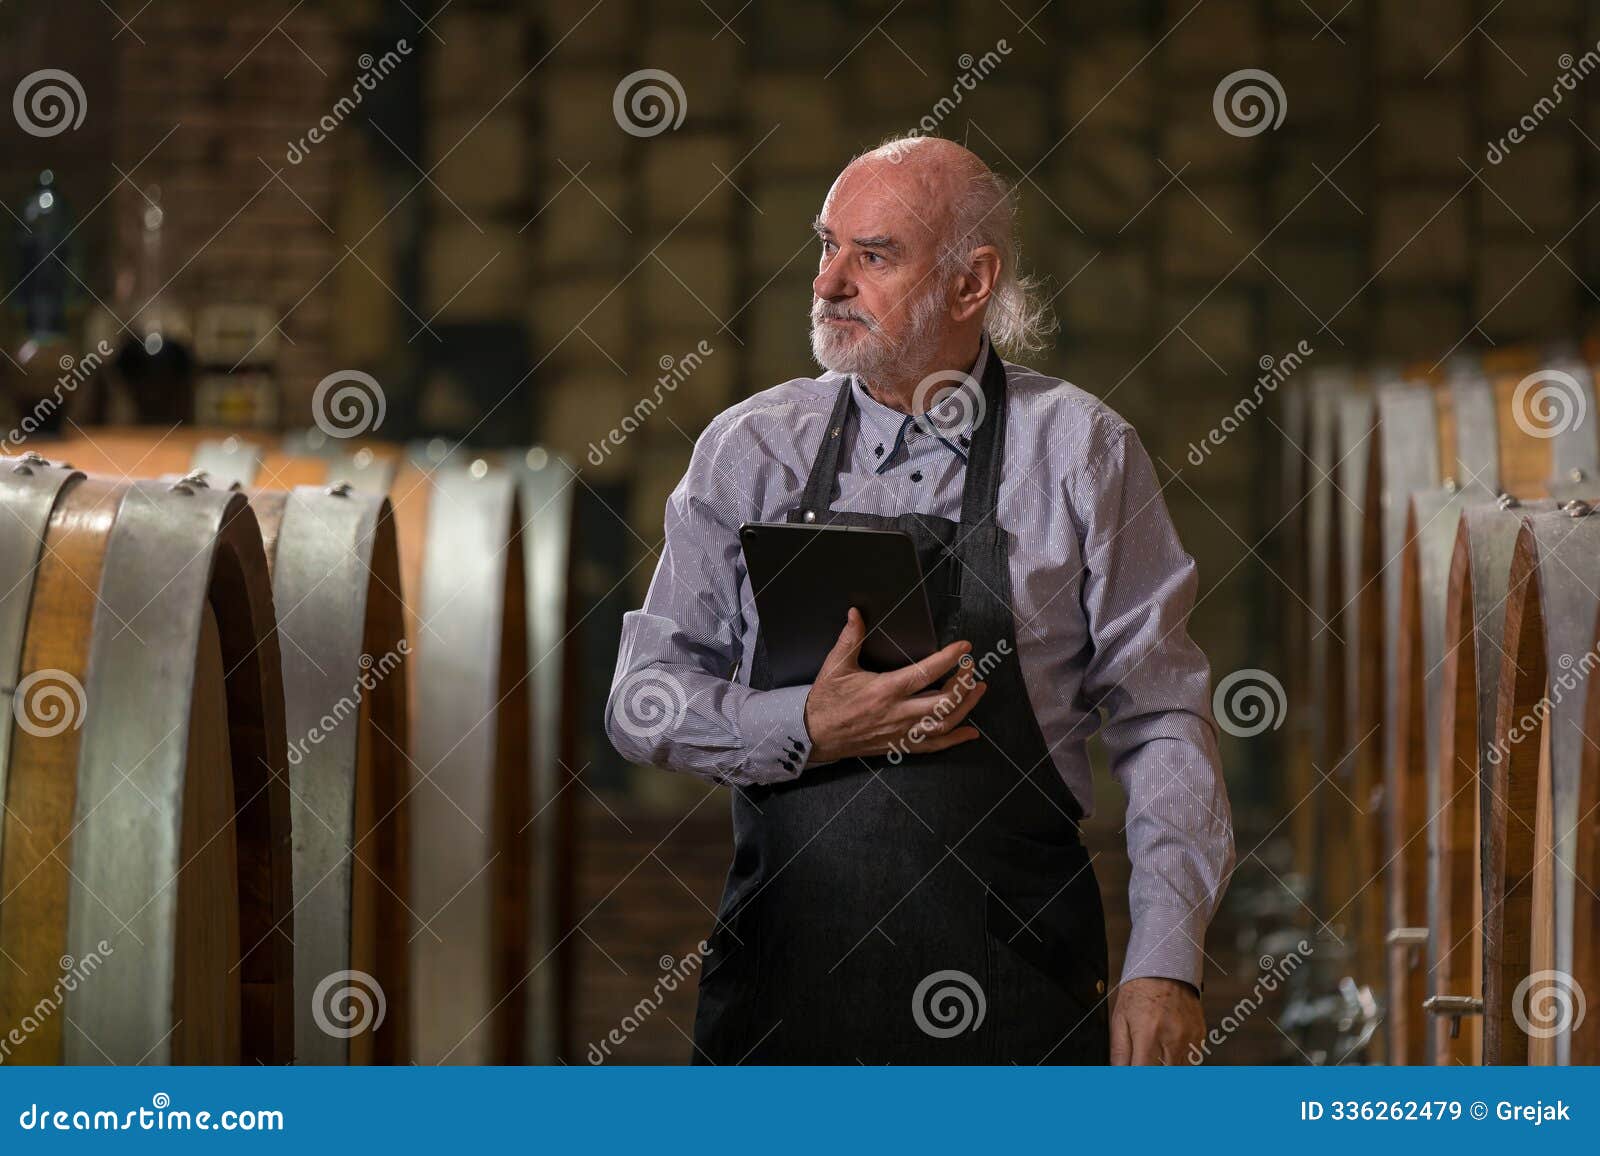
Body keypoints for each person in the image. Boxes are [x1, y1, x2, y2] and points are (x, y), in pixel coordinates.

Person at [606, 135, 1234, 1065]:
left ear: (971, 285)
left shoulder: (1081, 454)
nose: (827, 283)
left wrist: (1165, 962)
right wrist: (807, 724)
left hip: (1013, 990)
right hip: (785, 990)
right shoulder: (752, 451)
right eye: (826, 246)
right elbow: (640, 698)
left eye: (873, 255)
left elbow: (1164, 719)